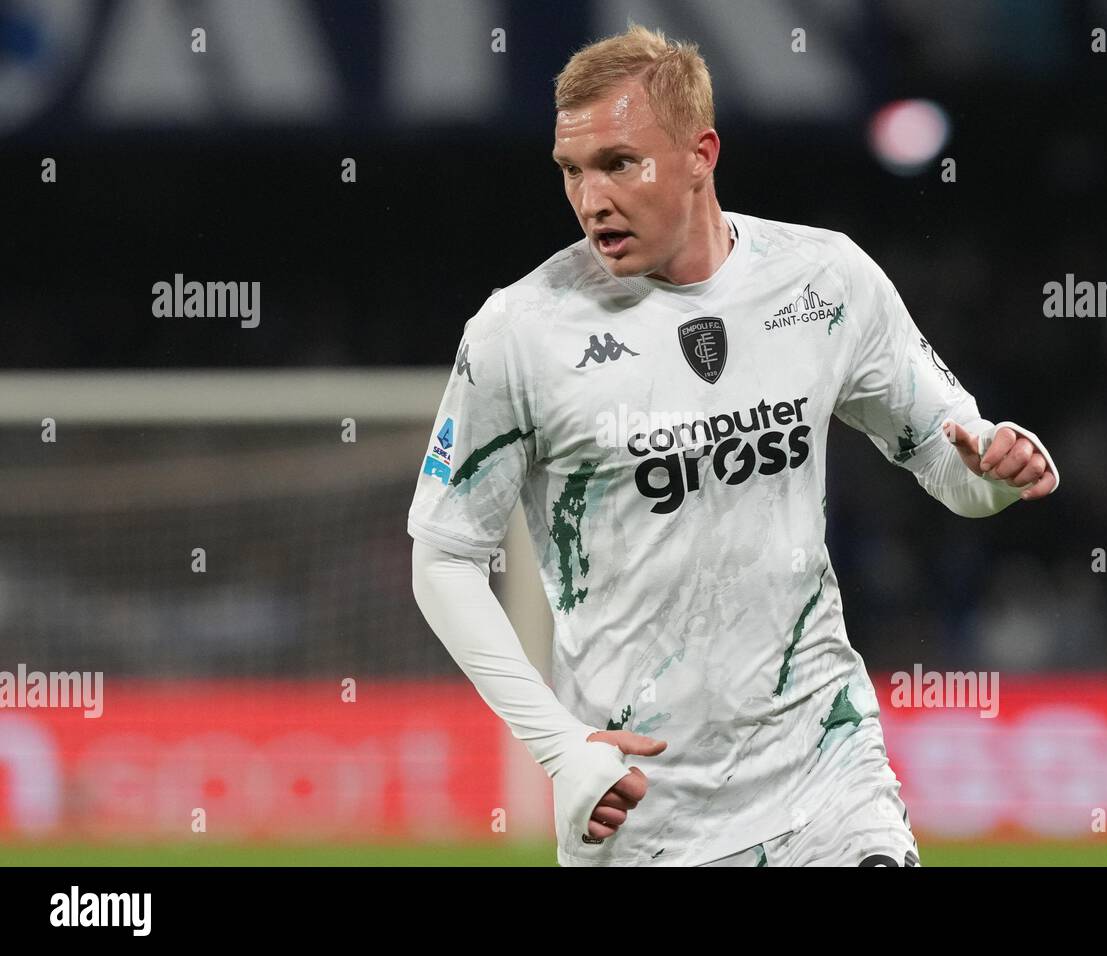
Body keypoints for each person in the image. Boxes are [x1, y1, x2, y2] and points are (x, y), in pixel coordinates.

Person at [409, 23, 1059, 867]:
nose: (590, 197)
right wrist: (559, 747)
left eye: (619, 162)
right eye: (572, 170)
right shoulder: (519, 334)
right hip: (641, 817)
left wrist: (998, 471)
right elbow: (443, 557)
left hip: (826, 773)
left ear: (699, 154)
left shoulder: (826, 282)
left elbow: (952, 465)